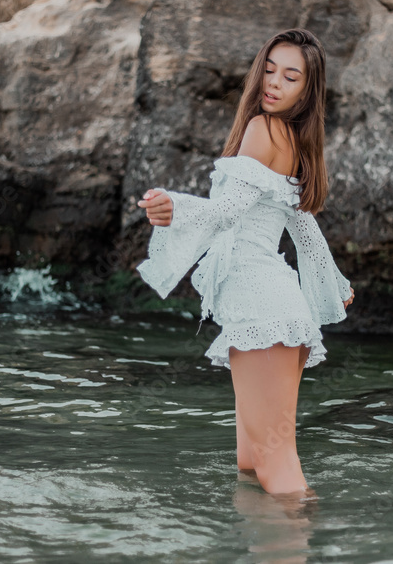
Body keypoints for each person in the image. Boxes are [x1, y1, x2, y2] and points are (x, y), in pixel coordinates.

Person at [136, 28, 355, 496]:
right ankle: (267, 536)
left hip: (263, 309)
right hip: (273, 308)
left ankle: (304, 536)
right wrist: (334, 284)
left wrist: (175, 207)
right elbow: (304, 227)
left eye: (290, 77)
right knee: (253, 463)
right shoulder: (291, 139)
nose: (274, 83)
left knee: (275, 466)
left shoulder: (264, 128)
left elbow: (226, 212)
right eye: (269, 70)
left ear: (307, 91)